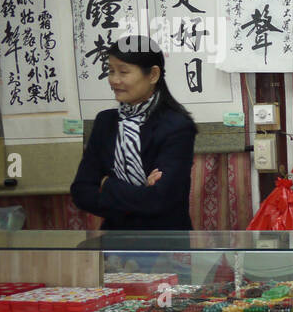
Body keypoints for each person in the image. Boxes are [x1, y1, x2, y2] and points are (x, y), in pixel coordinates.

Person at [71, 35, 198, 230]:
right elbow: (81, 192)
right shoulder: (105, 122)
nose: (114, 80)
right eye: (111, 71)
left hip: (166, 245)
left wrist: (107, 184)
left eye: (123, 72)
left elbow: (160, 200)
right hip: (115, 241)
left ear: (153, 75)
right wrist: (141, 194)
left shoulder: (177, 126)